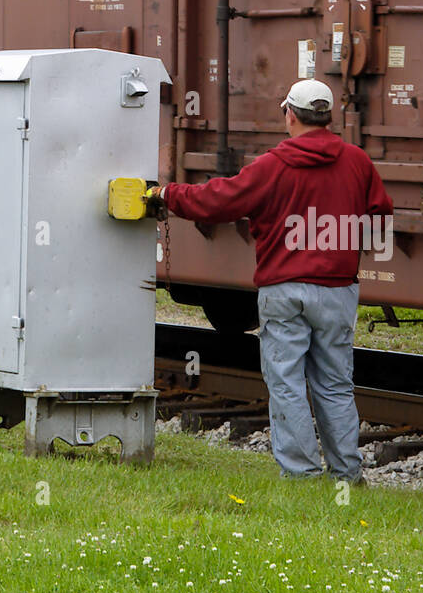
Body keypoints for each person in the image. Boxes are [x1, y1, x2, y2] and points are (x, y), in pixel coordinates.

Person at [149, 79, 393, 482]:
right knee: (334, 383)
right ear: (328, 118)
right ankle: (347, 475)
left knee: (287, 383)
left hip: (284, 289)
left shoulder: (272, 166)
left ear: (290, 115)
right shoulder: (357, 162)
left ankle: (302, 476)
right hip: (338, 290)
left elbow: (216, 200)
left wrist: (166, 194)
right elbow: (380, 217)